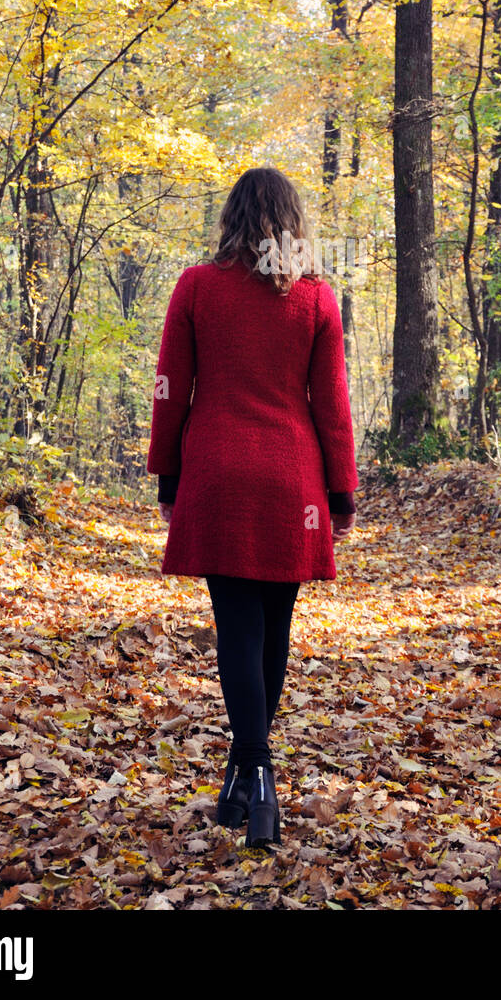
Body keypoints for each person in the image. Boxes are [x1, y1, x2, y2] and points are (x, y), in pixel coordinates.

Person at [147, 167, 358, 848]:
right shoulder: (317, 299)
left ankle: (253, 773)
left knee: (237, 628)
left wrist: (167, 476)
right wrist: (341, 491)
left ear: (230, 216)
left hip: (217, 475)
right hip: (291, 481)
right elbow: (331, 405)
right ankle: (251, 783)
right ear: (293, 221)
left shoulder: (197, 288)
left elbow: (170, 389)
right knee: (275, 628)